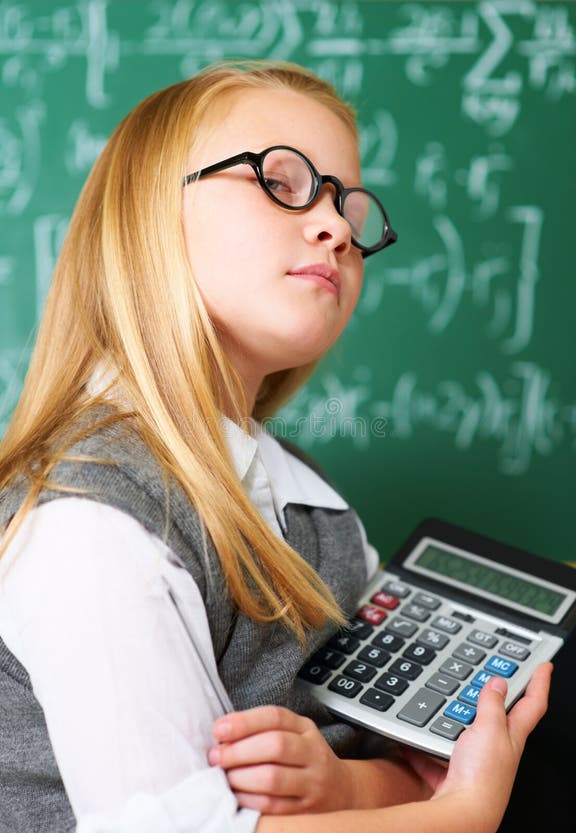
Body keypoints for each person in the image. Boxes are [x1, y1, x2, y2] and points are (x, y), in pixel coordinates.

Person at [0, 60, 551, 833]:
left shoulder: (311, 500)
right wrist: (463, 811)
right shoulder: (90, 520)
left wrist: (350, 786)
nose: (334, 226)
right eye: (280, 180)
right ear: (151, 215)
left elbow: (403, 759)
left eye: (346, 207)